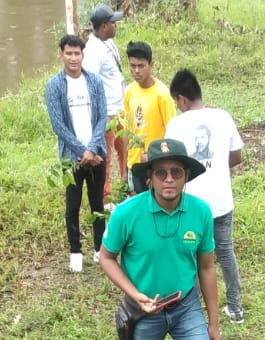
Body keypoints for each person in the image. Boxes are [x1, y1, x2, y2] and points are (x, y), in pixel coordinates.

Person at [99, 138, 221, 340]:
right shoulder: (126, 213)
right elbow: (106, 258)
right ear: (149, 178)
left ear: (186, 176)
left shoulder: (200, 212)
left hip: (186, 307)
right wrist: (135, 295)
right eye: (161, 173)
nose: (169, 179)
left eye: (176, 172)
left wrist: (213, 322)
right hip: (144, 313)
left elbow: (207, 267)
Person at [165, 70, 246, 324]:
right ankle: (236, 308)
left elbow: (170, 165)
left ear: (182, 99)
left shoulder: (176, 125)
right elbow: (236, 156)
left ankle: (194, 312)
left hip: (191, 205)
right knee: (225, 253)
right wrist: (217, 166)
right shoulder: (223, 117)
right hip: (222, 202)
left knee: (191, 256)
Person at [44, 34, 110, 274]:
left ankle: (99, 249)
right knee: (72, 205)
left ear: (83, 55)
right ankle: (75, 251)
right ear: (61, 55)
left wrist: (92, 148)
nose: (73, 58)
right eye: (68, 53)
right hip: (71, 158)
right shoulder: (54, 85)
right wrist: (83, 151)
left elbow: (102, 117)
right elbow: (58, 125)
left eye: (77, 53)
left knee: (97, 203)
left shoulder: (95, 81)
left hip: (97, 154)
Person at [81, 5, 127, 206]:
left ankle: (127, 189)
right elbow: (90, 83)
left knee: (126, 151)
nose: (116, 25)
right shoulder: (93, 51)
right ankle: (104, 199)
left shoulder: (108, 42)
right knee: (105, 156)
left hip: (120, 109)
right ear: (104, 26)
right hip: (107, 113)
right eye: (113, 22)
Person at [122, 41, 175, 195]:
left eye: (141, 66)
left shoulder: (162, 94)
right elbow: (127, 131)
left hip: (156, 164)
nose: (136, 71)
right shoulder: (129, 92)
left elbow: (172, 133)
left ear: (151, 65)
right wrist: (125, 168)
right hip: (135, 164)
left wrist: (161, 168)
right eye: (132, 66)